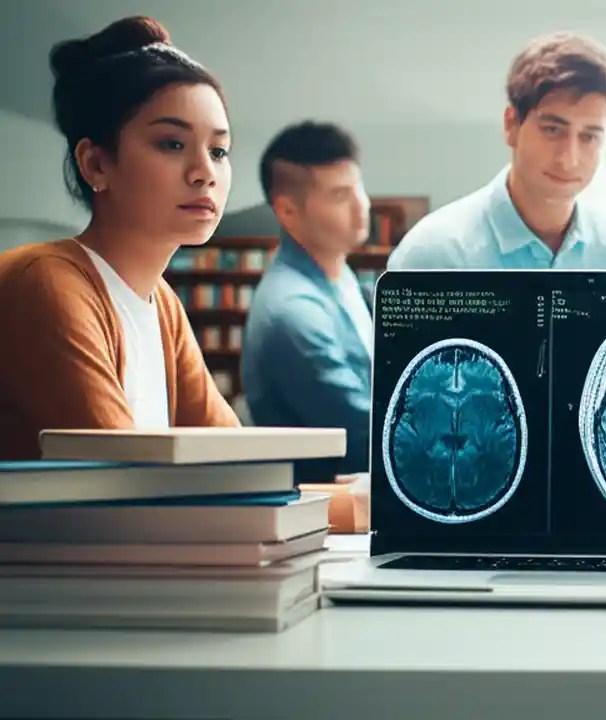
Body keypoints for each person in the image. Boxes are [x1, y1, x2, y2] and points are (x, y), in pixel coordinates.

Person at [0, 16, 238, 461]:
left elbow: (237, 461)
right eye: (171, 144)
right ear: (95, 164)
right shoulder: (45, 284)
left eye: (218, 150)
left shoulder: (161, 303)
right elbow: (129, 478)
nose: (204, 172)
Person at [388, 32, 606, 271]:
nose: (569, 159)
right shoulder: (433, 256)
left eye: (589, 137)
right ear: (511, 124)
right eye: (552, 129)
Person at [241, 122, 372, 481]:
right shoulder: (291, 311)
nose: (362, 208)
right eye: (340, 195)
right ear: (287, 211)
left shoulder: (344, 278)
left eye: (359, 188)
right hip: (324, 515)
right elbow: (363, 433)